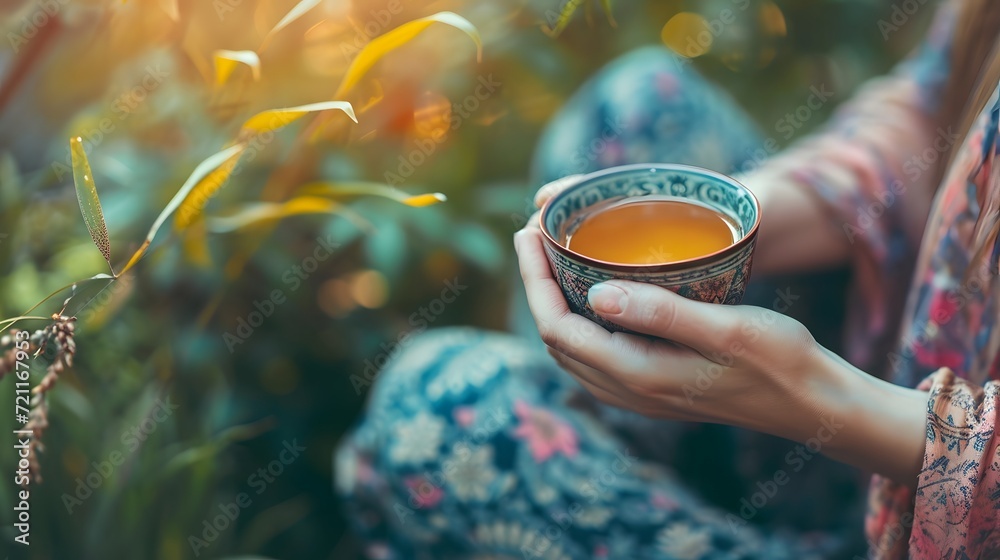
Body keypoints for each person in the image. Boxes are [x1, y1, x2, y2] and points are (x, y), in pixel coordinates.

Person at [336, 0, 1000, 557]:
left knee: (433, 406)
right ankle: (641, 470)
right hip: (895, 369)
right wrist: (735, 224)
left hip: (928, 476)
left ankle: (613, 494)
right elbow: (930, 112)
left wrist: (821, 399)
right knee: (633, 107)